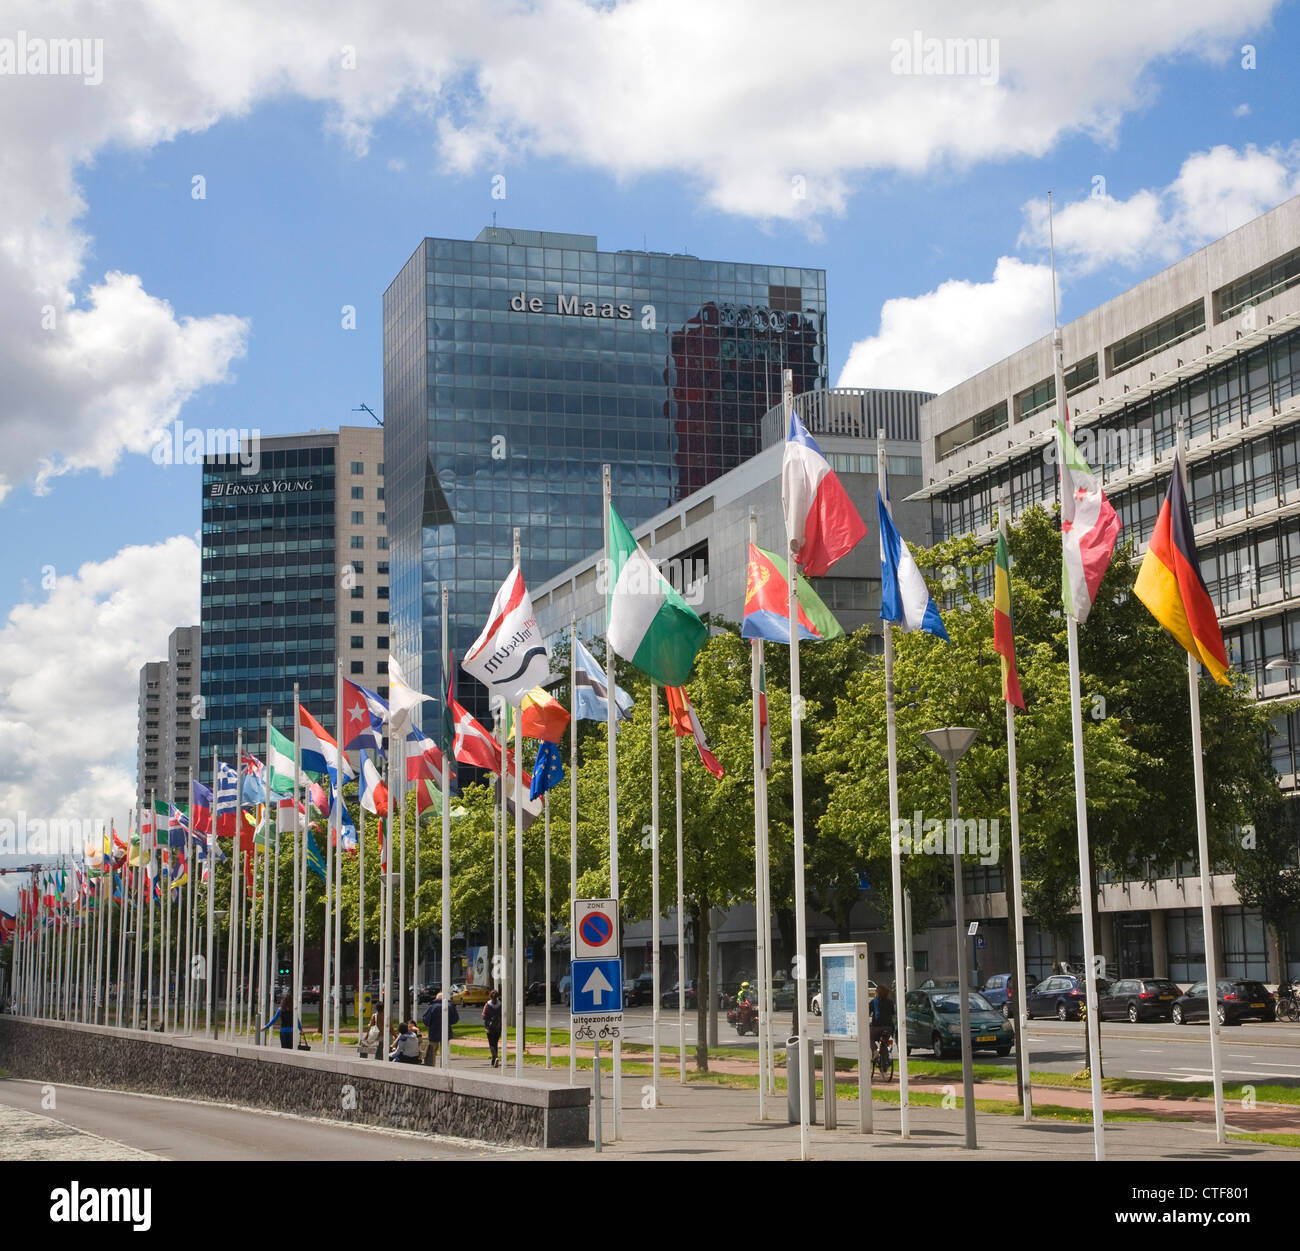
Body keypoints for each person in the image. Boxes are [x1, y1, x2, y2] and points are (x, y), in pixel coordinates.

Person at [482, 989, 502, 1067]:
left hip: (489, 1027)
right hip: (498, 1027)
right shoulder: (500, 1004)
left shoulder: (487, 1005)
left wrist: (486, 1026)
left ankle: (495, 1057)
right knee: (495, 1043)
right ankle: (494, 1060)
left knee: (491, 1044)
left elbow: (484, 1016)